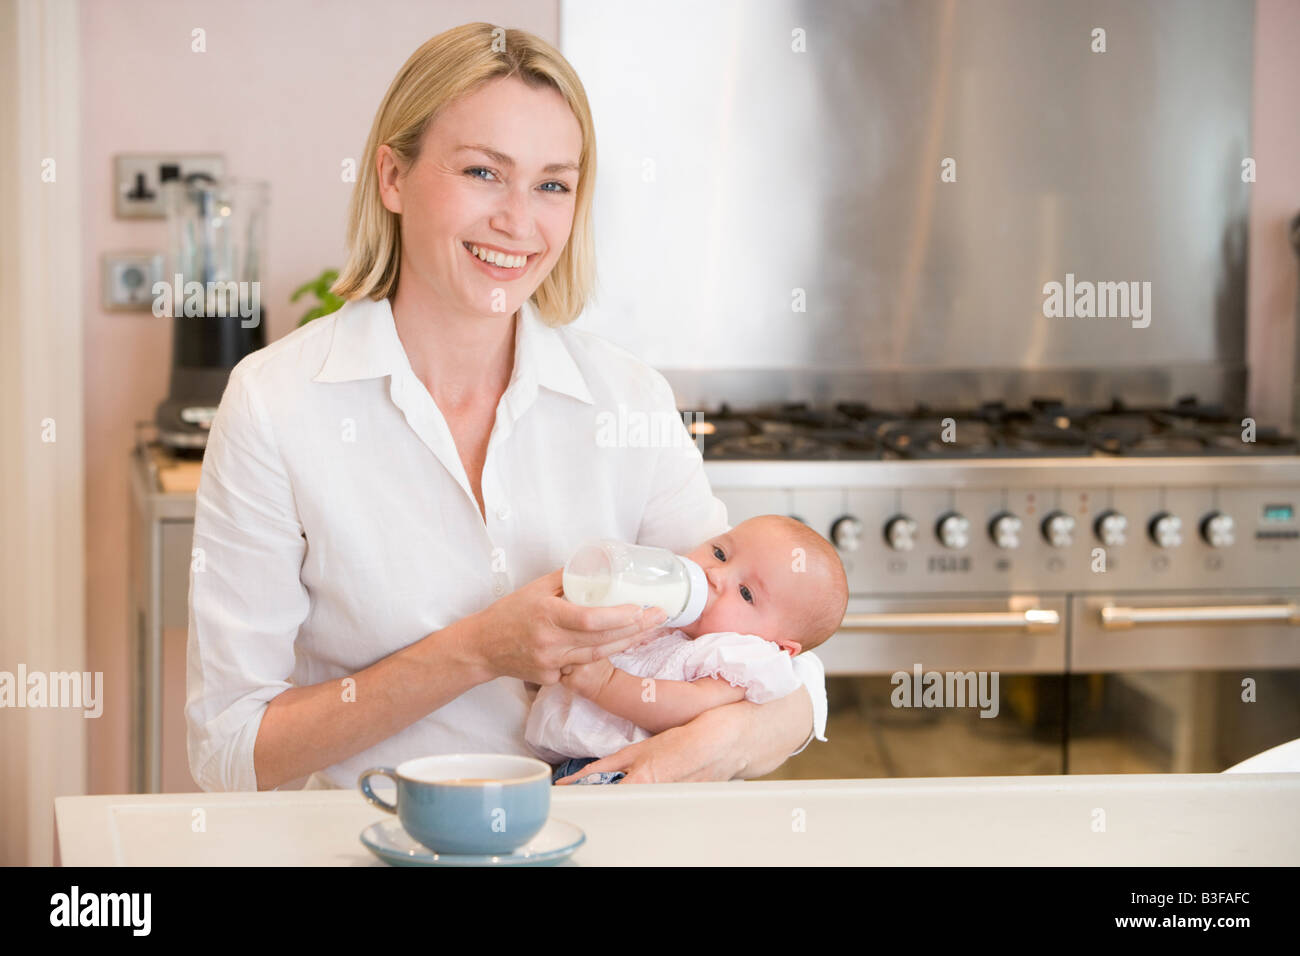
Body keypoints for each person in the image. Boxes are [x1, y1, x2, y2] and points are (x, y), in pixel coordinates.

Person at [185, 22, 830, 792]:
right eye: (484, 173)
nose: (519, 222)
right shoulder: (277, 405)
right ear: (393, 177)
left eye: (553, 184)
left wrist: (701, 749)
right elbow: (230, 749)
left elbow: (775, 659)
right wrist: (478, 651)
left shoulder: (627, 401)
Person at [528, 515, 848, 784]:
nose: (715, 575)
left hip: (626, 773)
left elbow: (687, 704)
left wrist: (605, 683)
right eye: (721, 553)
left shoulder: (734, 654)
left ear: (778, 646)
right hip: (559, 766)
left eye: (747, 593)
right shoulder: (666, 609)